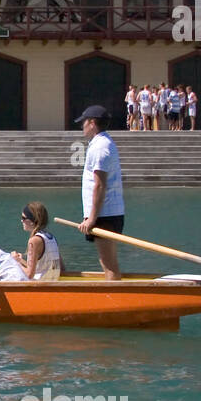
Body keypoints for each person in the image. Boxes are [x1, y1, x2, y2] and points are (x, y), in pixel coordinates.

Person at [75, 105, 124, 280]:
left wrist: (92, 219)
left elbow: (100, 185)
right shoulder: (101, 143)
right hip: (106, 213)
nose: (82, 126)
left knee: (109, 265)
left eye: (84, 123)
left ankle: (115, 301)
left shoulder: (100, 147)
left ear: (92, 123)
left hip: (105, 215)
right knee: (107, 263)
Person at [11, 202, 63, 280]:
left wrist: (16, 263)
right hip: (51, 281)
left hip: (39, 285)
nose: (22, 221)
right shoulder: (51, 237)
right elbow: (59, 267)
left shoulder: (34, 241)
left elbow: (29, 274)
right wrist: (19, 260)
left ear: (32, 221)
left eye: (24, 218)